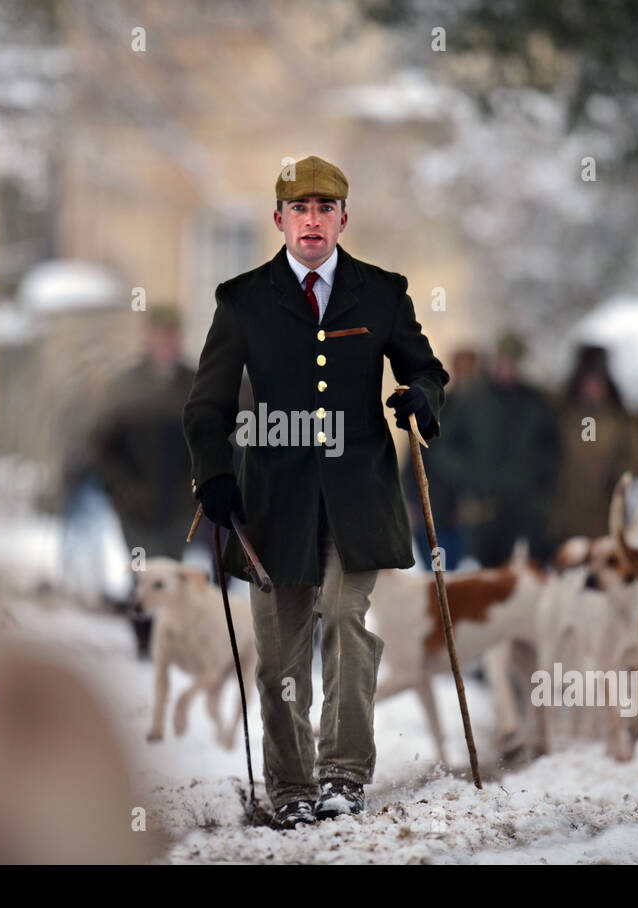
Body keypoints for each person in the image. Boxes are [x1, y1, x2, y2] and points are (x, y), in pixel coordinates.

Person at [184, 155, 448, 829]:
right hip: (272, 505)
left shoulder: (382, 291)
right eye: (299, 209)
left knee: (346, 619)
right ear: (278, 220)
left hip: (358, 497)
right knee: (278, 654)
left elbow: (426, 366)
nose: (311, 220)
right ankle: (292, 783)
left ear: (342, 218)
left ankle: (343, 774)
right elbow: (206, 405)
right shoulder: (241, 300)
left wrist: (421, 394)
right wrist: (213, 473)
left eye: (324, 209)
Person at [89, 307, 203, 658]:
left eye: (171, 335)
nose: (165, 343)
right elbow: (101, 447)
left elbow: (214, 439)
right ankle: (144, 640)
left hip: (182, 502)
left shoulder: (196, 383)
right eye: (158, 334)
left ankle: (170, 642)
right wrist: (121, 490)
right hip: (135, 504)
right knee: (142, 573)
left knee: (172, 573)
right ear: (147, 337)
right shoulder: (124, 386)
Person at [438, 332, 559, 566]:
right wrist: (469, 472)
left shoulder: (534, 401)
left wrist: (535, 474)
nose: (507, 369)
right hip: (482, 510)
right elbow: (444, 447)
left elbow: (553, 448)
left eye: (513, 363)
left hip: (524, 508)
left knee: (523, 576)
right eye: (503, 361)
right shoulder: (472, 399)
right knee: (484, 578)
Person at [548, 344, 638, 547]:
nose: (593, 388)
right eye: (588, 381)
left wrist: (614, 472)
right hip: (564, 519)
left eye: (598, 382)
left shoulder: (621, 420)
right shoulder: (561, 415)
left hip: (605, 520)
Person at [403, 347, 480, 570]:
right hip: (434, 510)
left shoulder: (485, 416)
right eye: (461, 368)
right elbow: (413, 458)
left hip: (467, 515)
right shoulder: (435, 408)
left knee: (459, 577)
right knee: (438, 575)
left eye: (470, 369)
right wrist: (410, 501)